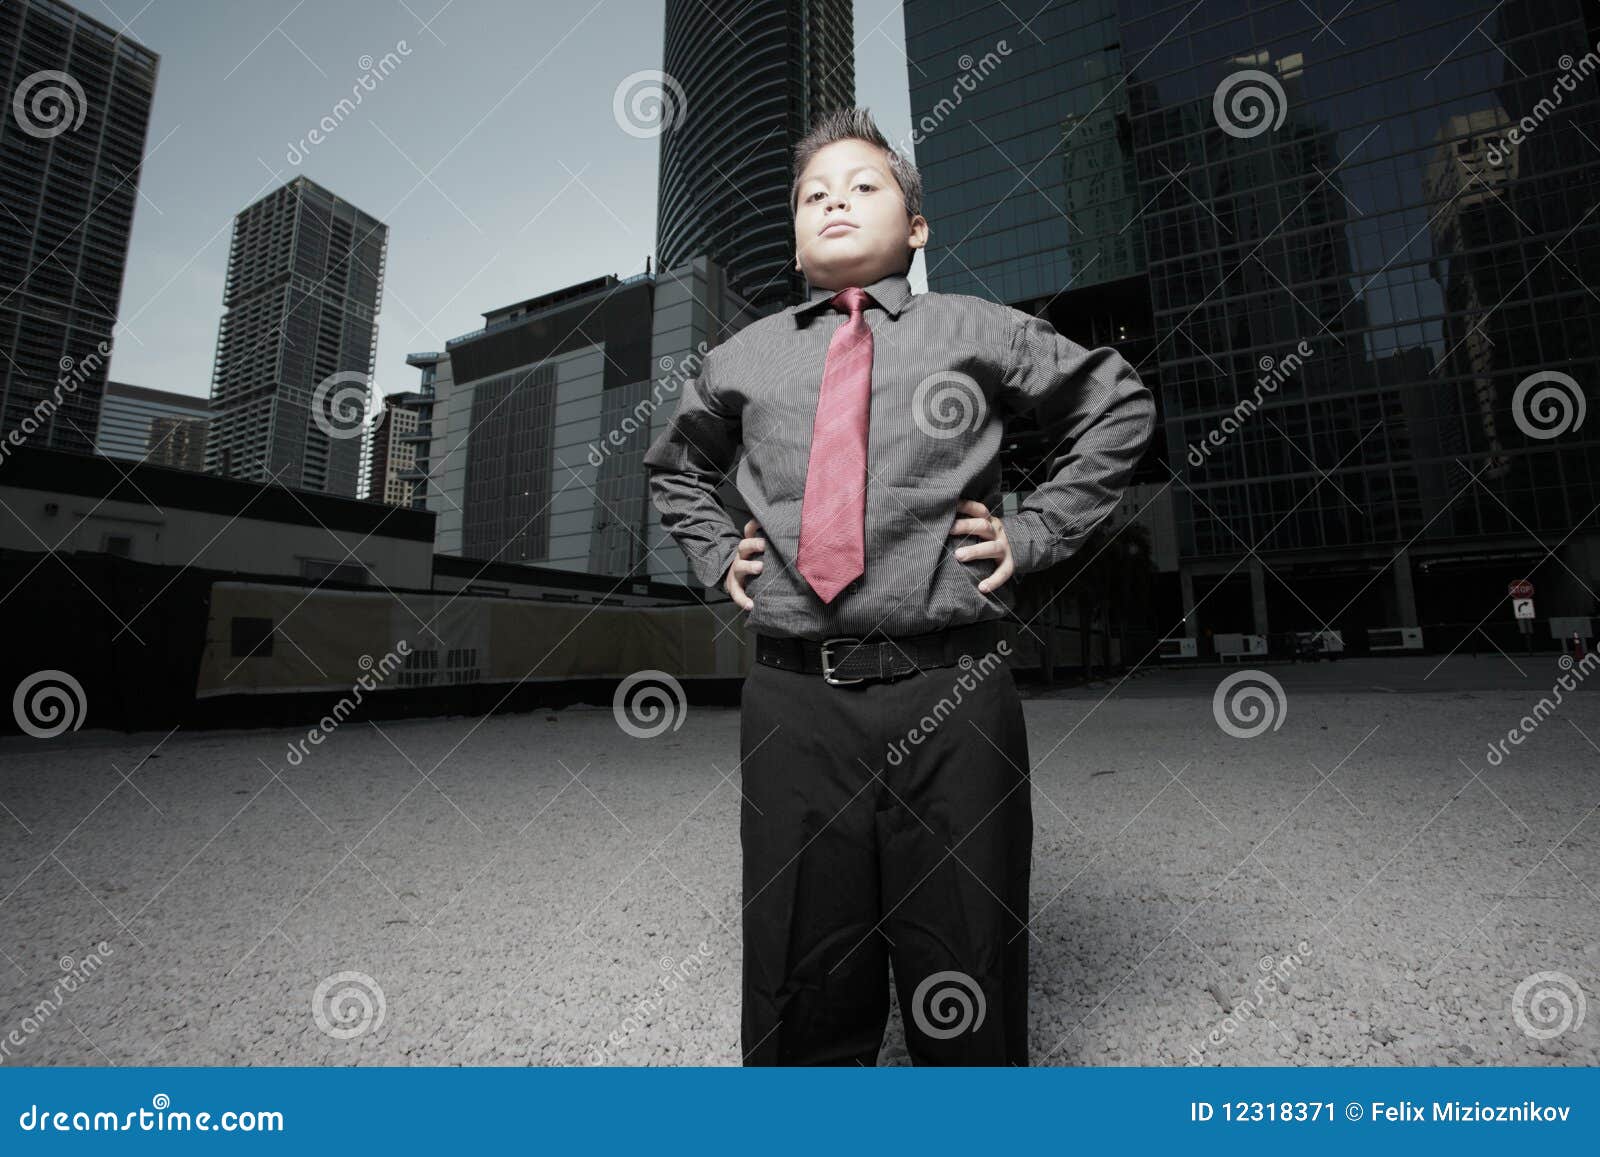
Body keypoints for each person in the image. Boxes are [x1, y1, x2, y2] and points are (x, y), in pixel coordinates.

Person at [643, 106, 1155, 1065]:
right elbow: (673, 466)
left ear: (916, 227)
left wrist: (1039, 530)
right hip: (795, 699)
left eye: (864, 186)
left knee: (968, 962)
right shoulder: (739, 359)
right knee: (800, 974)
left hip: (953, 688)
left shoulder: (977, 329)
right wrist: (717, 550)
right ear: (795, 238)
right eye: (813, 195)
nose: (835, 201)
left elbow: (1116, 401)